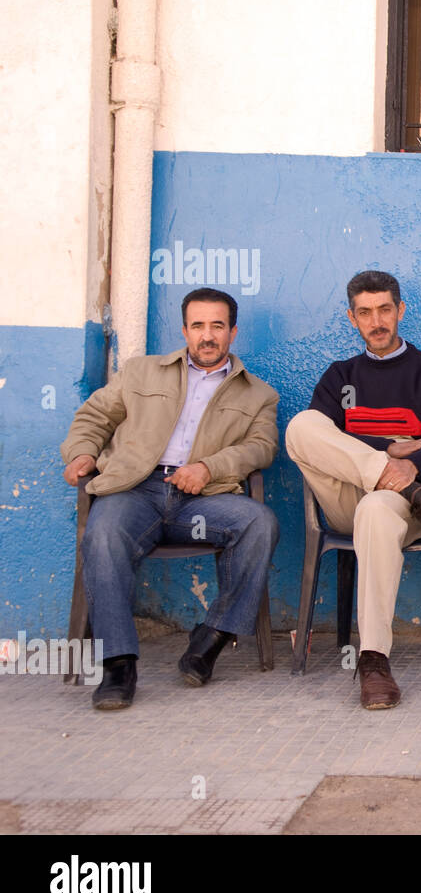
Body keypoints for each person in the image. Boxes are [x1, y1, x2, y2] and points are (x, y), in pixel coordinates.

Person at [60, 287, 279, 710]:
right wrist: (82, 452)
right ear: (184, 330)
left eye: (217, 326)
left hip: (201, 498)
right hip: (135, 491)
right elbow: (95, 416)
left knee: (260, 522)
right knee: (102, 534)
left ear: (233, 332)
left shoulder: (259, 394)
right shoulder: (141, 372)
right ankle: (119, 663)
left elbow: (261, 447)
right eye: (198, 326)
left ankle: (211, 637)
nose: (207, 335)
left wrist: (210, 467)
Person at [285, 271, 421, 710]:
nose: (377, 320)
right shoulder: (339, 376)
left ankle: (373, 659)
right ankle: (411, 491)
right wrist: (391, 451)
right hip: (358, 493)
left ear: (400, 311)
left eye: (385, 309)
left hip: (413, 506)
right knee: (301, 425)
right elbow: (318, 443)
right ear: (352, 318)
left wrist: (414, 459)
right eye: (365, 312)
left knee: (379, 509)